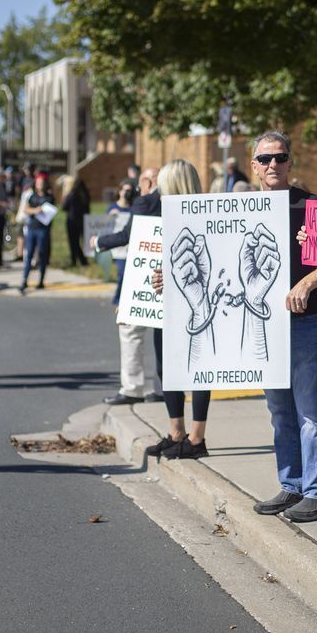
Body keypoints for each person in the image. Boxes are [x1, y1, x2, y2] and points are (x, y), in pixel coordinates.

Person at [247, 132, 317, 523]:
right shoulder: (241, 210)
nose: (273, 165)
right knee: (280, 411)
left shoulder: (311, 205)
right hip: (264, 325)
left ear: (290, 163)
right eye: (265, 159)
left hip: (305, 321)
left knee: (309, 410)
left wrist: (307, 283)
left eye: (280, 158)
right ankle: (292, 485)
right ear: (253, 165)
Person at [145, 159, 213, 459]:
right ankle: (177, 433)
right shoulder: (158, 217)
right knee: (166, 367)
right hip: (165, 305)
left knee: (199, 369)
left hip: (195, 304)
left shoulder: (205, 219)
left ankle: (197, 438)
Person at [94, 169, 163, 405]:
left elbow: (129, 234)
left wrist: (99, 242)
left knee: (131, 330)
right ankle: (163, 390)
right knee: (164, 334)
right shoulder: (180, 198)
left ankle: (132, 389)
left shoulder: (145, 202)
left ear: (147, 182)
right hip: (171, 274)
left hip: (144, 274)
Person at [20, 172, 54, 293]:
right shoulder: (32, 196)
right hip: (32, 228)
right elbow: (26, 209)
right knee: (29, 254)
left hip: (43, 229)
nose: (40, 185)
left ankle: (41, 281)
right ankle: (24, 280)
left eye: (42, 183)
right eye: (39, 183)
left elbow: (51, 211)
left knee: (42, 254)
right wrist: (35, 210)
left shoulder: (50, 197)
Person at [107, 179, 137, 307]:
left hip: (130, 247)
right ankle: (118, 298)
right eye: (125, 190)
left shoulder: (134, 208)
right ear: (120, 191)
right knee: (122, 273)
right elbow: (104, 227)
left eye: (130, 191)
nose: (127, 193)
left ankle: (124, 298)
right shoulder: (113, 208)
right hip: (118, 248)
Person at [61, 175, 91, 267]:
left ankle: (77, 260)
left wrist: (64, 195)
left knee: (73, 242)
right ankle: (82, 260)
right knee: (80, 241)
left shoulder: (71, 195)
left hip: (72, 221)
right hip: (82, 221)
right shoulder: (84, 195)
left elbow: (64, 207)